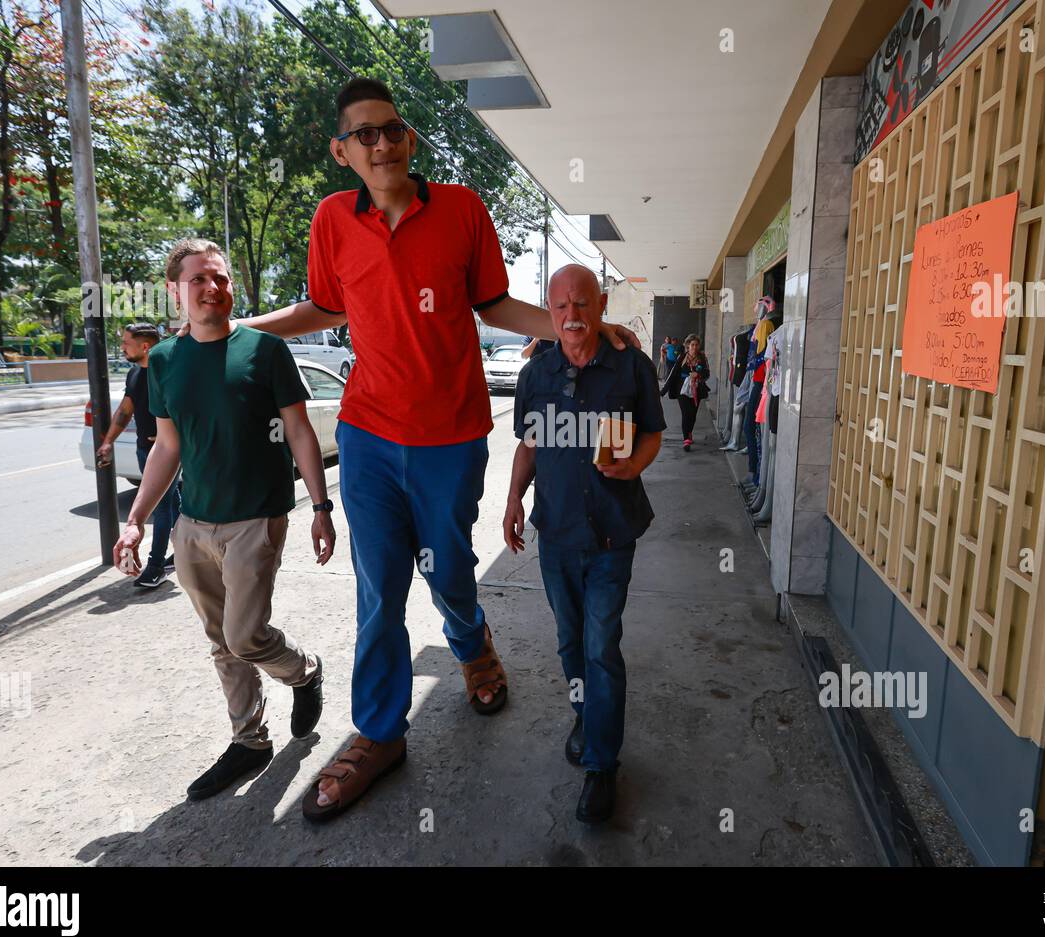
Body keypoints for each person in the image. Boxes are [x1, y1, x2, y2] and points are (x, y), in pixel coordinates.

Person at [178, 77, 641, 821]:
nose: (383, 142)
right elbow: (325, 306)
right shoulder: (332, 219)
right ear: (342, 151)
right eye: (365, 133)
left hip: (452, 437)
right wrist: (239, 330)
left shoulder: (461, 209)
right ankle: (380, 732)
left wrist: (576, 327)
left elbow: (495, 304)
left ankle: (471, 641)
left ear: (409, 139)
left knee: (451, 569)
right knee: (379, 588)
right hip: (366, 436)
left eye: (393, 129)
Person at [111, 239, 333, 802]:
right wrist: (136, 519)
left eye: (220, 278)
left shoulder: (265, 350)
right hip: (192, 525)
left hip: (256, 519)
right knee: (219, 641)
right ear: (174, 291)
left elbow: (301, 432)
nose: (213, 289)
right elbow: (167, 447)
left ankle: (303, 671)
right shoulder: (162, 360)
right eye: (199, 281)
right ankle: (249, 739)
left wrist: (321, 507)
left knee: (244, 635)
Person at [504, 265, 665, 824]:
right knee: (570, 643)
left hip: (613, 532)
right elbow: (527, 446)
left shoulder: (630, 365)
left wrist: (633, 467)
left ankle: (602, 765)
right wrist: (511, 501)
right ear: (549, 312)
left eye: (581, 304)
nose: (571, 317)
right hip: (557, 533)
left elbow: (652, 433)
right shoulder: (536, 373)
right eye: (559, 307)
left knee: (601, 646)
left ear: (599, 305)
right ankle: (585, 713)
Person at [97, 322, 179, 588]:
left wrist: (170, 436)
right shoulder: (134, 374)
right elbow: (125, 411)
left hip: (166, 451)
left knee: (162, 506)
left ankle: (156, 566)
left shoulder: (169, 371)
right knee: (174, 503)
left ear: (145, 346)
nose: (122, 347)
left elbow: (187, 408)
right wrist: (108, 441)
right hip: (144, 449)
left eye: (126, 343)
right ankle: (186, 549)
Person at [663, 333, 710, 450]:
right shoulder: (682, 357)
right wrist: (663, 390)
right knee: (686, 413)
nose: (694, 347)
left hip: (696, 390)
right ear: (688, 346)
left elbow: (707, 373)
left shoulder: (702, 358)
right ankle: (686, 439)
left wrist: (698, 374)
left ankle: (689, 432)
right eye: (692, 345)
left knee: (693, 415)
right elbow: (673, 374)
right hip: (682, 389)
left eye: (696, 345)